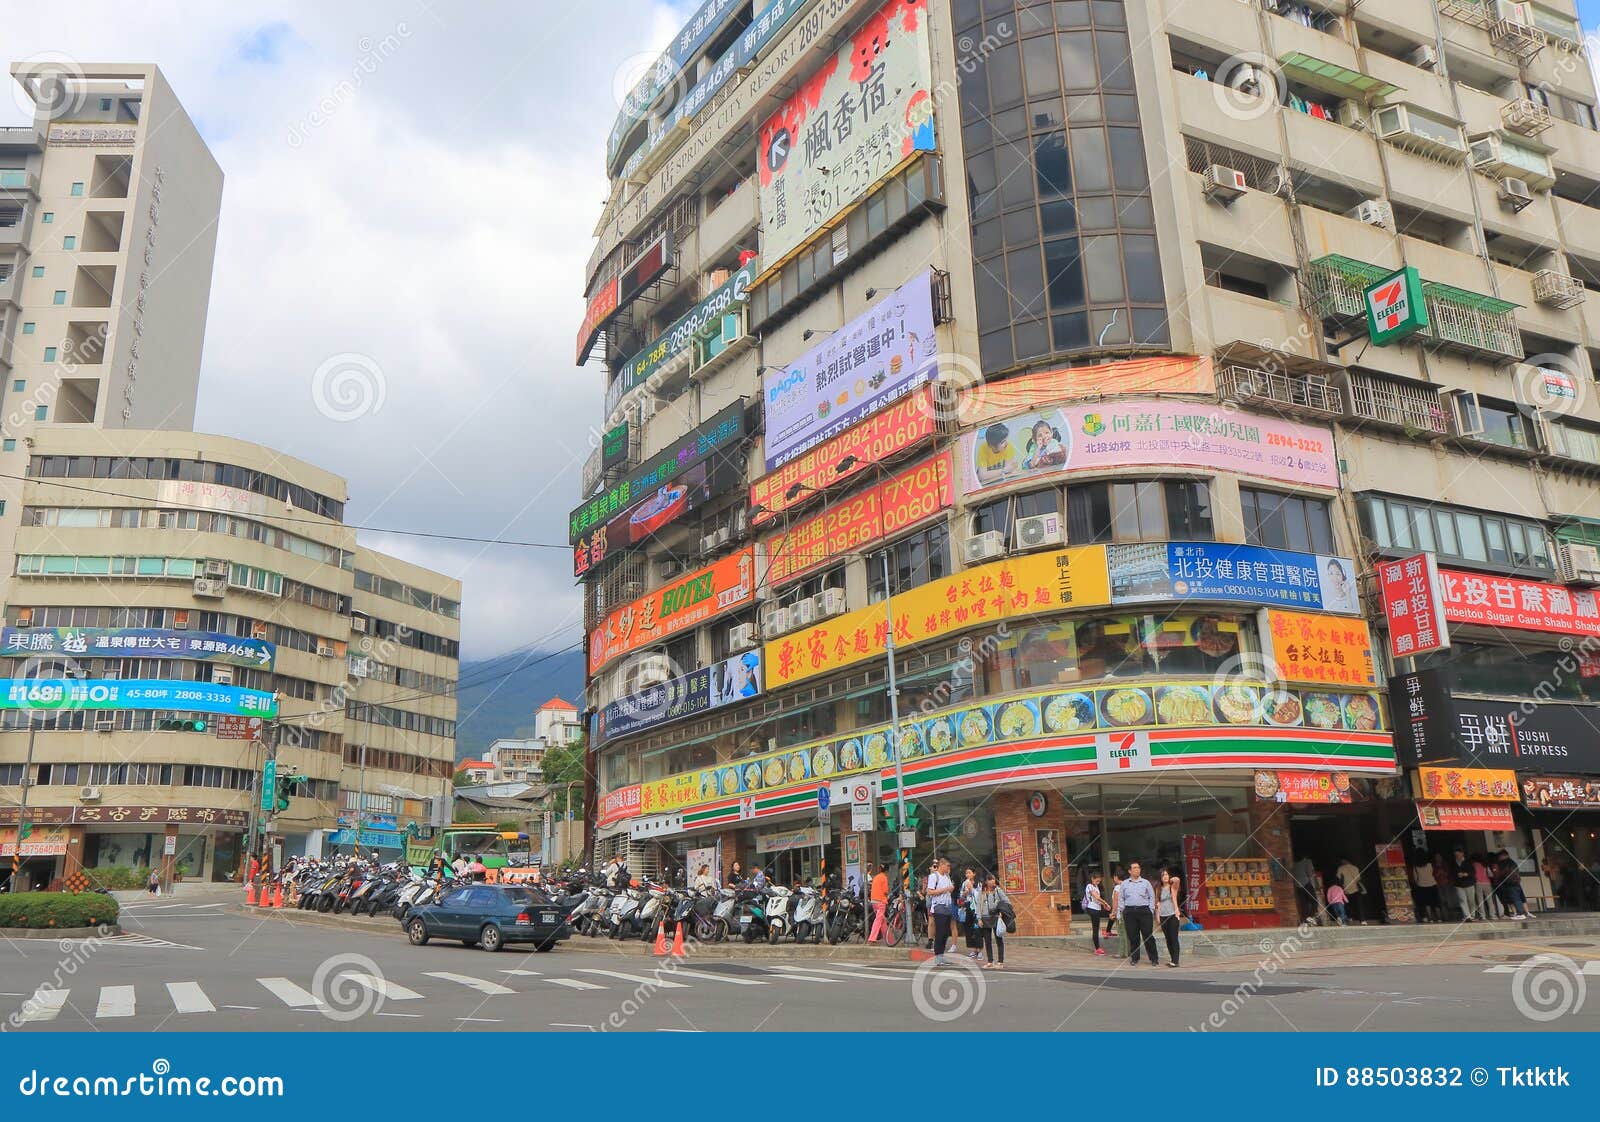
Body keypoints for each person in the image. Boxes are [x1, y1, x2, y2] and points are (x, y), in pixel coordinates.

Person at [1117, 861, 1159, 966]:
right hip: (1129, 912)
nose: (1137, 869)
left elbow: (1152, 896)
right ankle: (1135, 958)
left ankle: (1154, 959)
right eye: (1134, 868)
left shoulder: (1146, 883)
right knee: (1133, 936)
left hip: (1144, 911)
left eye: (1138, 868)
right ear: (1129, 871)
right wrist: (1123, 910)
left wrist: (1151, 909)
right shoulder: (1125, 883)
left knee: (1148, 935)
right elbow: (1121, 898)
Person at [976, 873, 1011, 969]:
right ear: (986, 881)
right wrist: (979, 918)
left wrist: (1002, 911)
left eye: (993, 879)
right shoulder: (981, 892)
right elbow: (978, 906)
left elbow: (1007, 901)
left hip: (996, 917)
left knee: (999, 939)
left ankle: (1000, 962)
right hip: (985, 917)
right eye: (990, 879)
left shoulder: (998, 890)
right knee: (987, 941)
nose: (992, 881)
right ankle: (990, 961)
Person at [926, 857, 956, 965]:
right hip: (939, 906)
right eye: (947, 866)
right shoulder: (934, 876)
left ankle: (942, 955)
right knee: (940, 932)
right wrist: (944, 890)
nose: (948, 868)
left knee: (946, 933)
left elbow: (950, 887)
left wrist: (951, 888)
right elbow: (930, 892)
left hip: (948, 906)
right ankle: (937, 956)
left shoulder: (947, 876)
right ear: (941, 865)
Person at [1158, 867, 1184, 968]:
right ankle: (1172, 959)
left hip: (1172, 915)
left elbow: (1177, 880)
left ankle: (1175, 961)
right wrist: (1158, 917)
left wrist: (1172, 879)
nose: (1165, 876)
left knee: (1174, 938)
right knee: (1168, 939)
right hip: (1163, 916)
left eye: (1166, 874)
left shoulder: (1172, 887)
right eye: (1163, 875)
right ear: (1160, 878)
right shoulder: (1158, 889)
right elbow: (1158, 904)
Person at [1082, 871, 1110, 956]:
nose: (1098, 883)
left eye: (1099, 881)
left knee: (1111, 913)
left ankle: (1107, 931)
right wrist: (1105, 903)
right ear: (1092, 879)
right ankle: (1097, 948)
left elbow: (1097, 900)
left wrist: (1104, 905)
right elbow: (1096, 897)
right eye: (1097, 881)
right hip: (1092, 908)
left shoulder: (1096, 886)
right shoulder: (1089, 886)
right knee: (1095, 928)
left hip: (1097, 908)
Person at [959, 867, 983, 960]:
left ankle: (979, 950)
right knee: (968, 929)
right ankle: (973, 949)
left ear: (974, 874)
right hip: (968, 906)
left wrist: (971, 888)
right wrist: (965, 893)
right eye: (966, 873)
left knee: (977, 929)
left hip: (976, 908)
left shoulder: (979, 883)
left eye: (969, 873)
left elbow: (979, 896)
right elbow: (961, 896)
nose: (967, 875)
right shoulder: (964, 883)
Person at [1335, 857, 1366, 924]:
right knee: (1359, 905)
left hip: (1346, 890)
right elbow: (1359, 878)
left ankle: (1349, 918)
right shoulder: (1355, 868)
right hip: (1356, 889)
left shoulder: (1340, 868)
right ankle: (1362, 920)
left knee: (1347, 905)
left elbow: (1339, 879)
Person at [1411, 854, 1439, 923]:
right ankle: (1439, 917)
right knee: (1436, 902)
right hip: (1432, 884)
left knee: (1426, 903)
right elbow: (1433, 873)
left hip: (1422, 886)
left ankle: (1430, 918)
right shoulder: (1430, 864)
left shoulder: (1416, 867)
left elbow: (1415, 878)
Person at [1291, 854, 1318, 924]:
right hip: (1307, 884)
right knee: (1314, 901)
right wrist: (1314, 886)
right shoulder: (1307, 861)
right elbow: (1310, 874)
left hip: (1298, 886)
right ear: (1305, 857)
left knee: (1304, 903)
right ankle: (1310, 916)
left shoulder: (1294, 865)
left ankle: (1306, 919)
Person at [867, 864, 890, 943]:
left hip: (874, 901)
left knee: (882, 920)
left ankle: (889, 939)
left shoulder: (876, 877)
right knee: (878, 920)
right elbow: (885, 891)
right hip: (881, 901)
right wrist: (887, 895)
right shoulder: (884, 878)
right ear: (887, 871)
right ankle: (872, 938)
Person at [1471, 852, 1497, 920]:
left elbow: (1473, 874)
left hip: (1478, 883)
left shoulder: (1473, 865)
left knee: (1480, 900)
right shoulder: (1485, 864)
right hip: (1487, 883)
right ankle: (1492, 915)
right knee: (1490, 900)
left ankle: (1483, 916)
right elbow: (1490, 875)